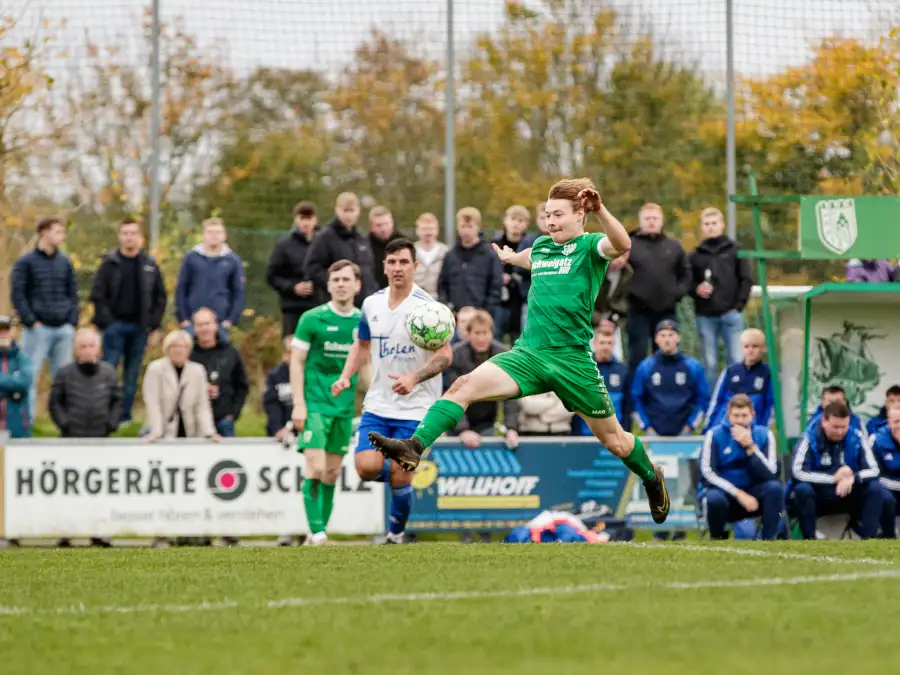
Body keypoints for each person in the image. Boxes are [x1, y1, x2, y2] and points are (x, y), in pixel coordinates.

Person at [370, 179, 671, 524]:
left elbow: (622, 243)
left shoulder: (590, 247)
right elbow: (532, 259)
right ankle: (414, 446)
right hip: (528, 355)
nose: (550, 220)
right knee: (462, 385)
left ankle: (651, 476)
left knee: (616, 442)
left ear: (580, 215)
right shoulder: (542, 247)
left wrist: (600, 208)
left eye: (558, 214)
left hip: (572, 361)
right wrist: (512, 257)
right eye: (547, 215)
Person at [333, 239, 453, 543]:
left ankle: (396, 533)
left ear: (416, 266)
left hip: (417, 406)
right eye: (392, 262)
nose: (397, 268)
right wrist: (346, 376)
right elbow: (361, 346)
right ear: (383, 266)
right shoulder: (371, 304)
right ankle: (404, 476)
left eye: (403, 262)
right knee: (366, 468)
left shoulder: (430, 308)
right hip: (378, 404)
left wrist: (415, 376)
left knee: (400, 475)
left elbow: (445, 356)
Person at [288, 260, 363, 545]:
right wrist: (299, 403)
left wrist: (370, 400)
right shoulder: (311, 319)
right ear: (328, 285)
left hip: (344, 408)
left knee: (332, 472)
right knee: (316, 468)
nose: (341, 284)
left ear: (357, 285)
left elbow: (365, 365)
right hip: (316, 403)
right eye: (335, 280)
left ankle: (316, 533)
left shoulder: (363, 321)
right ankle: (317, 532)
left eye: (346, 279)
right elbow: (296, 362)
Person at [90, 218, 167, 425]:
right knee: (108, 373)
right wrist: (107, 324)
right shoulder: (108, 264)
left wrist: (153, 326)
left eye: (133, 233)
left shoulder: (149, 265)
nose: (129, 237)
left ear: (140, 237)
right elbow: (97, 295)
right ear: (119, 236)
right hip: (114, 328)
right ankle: (104, 415)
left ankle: (125, 417)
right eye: (125, 233)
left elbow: (160, 297)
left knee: (132, 376)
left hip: (139, 329)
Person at [10, 217, 78, 421]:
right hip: (37, 330)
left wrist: (71, 321)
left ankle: (65, 423)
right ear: (44, 233)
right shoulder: (25, 263)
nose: (61, 236)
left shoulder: (65, 262)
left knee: (64, 379)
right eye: (57, 231)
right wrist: (31, 321)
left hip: (63, 329)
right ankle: (26, 422)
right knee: (29, 377)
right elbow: (18, 295)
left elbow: (73, 293)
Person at [790, 400, 882, 539]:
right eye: (835, 427)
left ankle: (870, 540)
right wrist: (833, 478)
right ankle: (810, 540)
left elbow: (874, 470)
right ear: (824, 421)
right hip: (820, 494)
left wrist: (853, 478)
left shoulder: (857, 436)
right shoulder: (808, 438)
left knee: (874, 488)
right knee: (802, 489)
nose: (840, 431)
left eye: (844, 427)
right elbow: (798, 472)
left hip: (849, 492)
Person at [700, 394, 784, 540]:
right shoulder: (714, 434)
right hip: (726, 493)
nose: (739, 420)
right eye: (736, 416)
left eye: (744, 416)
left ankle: (770, 540)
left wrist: (751, 447)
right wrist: (738, 494)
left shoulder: (764, 434)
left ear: (752, 415)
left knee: (775, 488)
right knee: (713, 498)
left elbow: (771, 473)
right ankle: (716, 539)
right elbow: (708, 473)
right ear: (728, 415)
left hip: (754, 492)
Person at [689, 207, 753, 388]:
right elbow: (687, 281)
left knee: (737, 360)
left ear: (722, 225)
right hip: (705, 316)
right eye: (707, 224)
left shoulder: (735, 250)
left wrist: (738, 306)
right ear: (702, 227)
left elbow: (746, 279)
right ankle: (712, 407)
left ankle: (738, 401)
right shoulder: (695, 255)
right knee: (709, 363)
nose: (711, 227)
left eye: (714, 223)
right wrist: (696, 289)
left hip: (731, 313)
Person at [624, 203, 691, 375]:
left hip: (665, 312)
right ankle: (634, 401)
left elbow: (686, 274)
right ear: (640, 221)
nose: (651, 222)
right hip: (638, 311)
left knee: (665, 357)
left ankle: (663, 398)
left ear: (661, 221)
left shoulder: (674, 246)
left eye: (655, 218)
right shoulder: (629, 245)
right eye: (647, 218)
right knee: (636, 358)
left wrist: (676, 293)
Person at [445, 310, 519, 449]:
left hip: (486, 420)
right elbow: (452, 394)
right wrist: (463, 430)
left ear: (492, 333)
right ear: (468, 334)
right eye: (477, 333)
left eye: (485, 333)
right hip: (457, 420)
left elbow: (512, 395)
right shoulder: (456, 355)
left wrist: (511, 428)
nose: (481, 338)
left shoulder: (503, 355)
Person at [631, 320, 709, 437]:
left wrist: (690, 426)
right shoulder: (645, 367)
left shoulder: (693, 366)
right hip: (653, 434)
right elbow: (636, 399)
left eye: (671, 335)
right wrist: (647, 428)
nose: (667, 340)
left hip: (685, 433)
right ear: (656, 339)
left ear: (678, 338)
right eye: (662, 335)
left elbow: (703, 399)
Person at [142, 330, 218, 442]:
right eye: (174, 346)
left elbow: (202, 405)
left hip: (189, 431)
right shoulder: (155, 369)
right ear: (167, 349)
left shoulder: (197, 371)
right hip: (164, 431)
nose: (178, 350)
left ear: (188, 350)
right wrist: (156, 432)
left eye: (182, 346)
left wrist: (209, 432)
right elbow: (153, 403)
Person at [304, 192, 378, 306]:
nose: (349, 215)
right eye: (345, 210)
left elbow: (369, 270)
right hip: (336, 305)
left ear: (358, 211)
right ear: (337, 210)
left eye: (352, 210)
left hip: (364, 305)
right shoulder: (324, 238)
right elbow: (312, 268)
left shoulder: (361, 239)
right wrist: (339, 282)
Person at [175, 217, 245, 338]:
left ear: (224, 235)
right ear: (203, 235)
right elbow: (181, 289)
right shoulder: (191, 258)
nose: (214, 236)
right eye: (210, 232)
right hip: (192, 323)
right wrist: (183, 319)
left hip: (220, 324)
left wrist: (229, 321)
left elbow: (238, 292)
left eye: (218, 232)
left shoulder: (232, 260)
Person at [49, 328, 122, 438]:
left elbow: (118, 401)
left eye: (91, 346)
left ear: (98, 349)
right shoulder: (64, 373)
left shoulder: (109, 373)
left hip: (102, 436)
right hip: (71, 436)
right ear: (76, 350)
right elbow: (55, 402)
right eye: (83, 346)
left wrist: (112, 424)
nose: (88, 350)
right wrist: (64, 424)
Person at [189, 308, 249, 438]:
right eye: (199, 325)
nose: (204, 328)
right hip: (193, 421)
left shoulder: (230, 352)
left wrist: (233, 413)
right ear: (194, 327)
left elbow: (242, 385)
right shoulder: (187, 353)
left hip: (224, 420)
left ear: (216, 325)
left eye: (207, 324)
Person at [266, 201, 319, 337]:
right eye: (303, 218)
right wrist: (293, 287)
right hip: (293, 309)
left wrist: (318, 284)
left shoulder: (325, 242)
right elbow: (272, 276)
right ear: (296, 219)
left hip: (319, 306)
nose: (306, 223)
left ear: (315, 219)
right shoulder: (284, 245)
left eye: (309, 218)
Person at [437, 206, 503, 315]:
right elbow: (442, 285)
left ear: (478, 227)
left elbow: (496, 287)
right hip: (454, 316)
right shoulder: (450, 255)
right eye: (463, 226)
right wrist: (448, 308)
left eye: (470, 226)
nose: (466, 230)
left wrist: (484, 311)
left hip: (481, 317)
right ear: (457, 227)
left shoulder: (489, 255)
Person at [705, 328, 774, 431]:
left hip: (750, 431)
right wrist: (708, 429)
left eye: (755, 346)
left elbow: (770, 407)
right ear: (742, 348)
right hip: (724, 429)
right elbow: (716, 402)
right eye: (746, 346)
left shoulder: (768, 373)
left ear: (763, 348)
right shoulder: (730, 371)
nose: (750, 350)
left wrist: (761, 432)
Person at [572, 328, 629, 435]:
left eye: (609, 343)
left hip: (614, 436)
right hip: (586, 435)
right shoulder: (582, 368)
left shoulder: (623, 370)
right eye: (602, 342)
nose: (605, 347)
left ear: (613, 345)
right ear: (594, 343)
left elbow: (627, 406)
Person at [493, 205, 531, 341]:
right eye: (513, 219)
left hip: (521, 300)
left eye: (520, 221)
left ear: (526, 224)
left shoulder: (530, 245)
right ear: (505, 221)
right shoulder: (495, 245)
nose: (516, 224)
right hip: (499, 300)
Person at [593, 251, 631, 361]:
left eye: (623, 255)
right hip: (587, 321)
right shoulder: (594, 269)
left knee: (617, 356)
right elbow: (581, 301)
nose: (619, 260)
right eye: (616, 255)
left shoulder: (628, 272)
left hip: (611, 321)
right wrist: (598, 320)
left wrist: (614, 321)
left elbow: (623, 302)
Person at [0, 315, 31, 439]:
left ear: (12, 332)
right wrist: (11, 385)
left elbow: (24, 382)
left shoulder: (23, 358)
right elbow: (17, 383)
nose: (2, 334)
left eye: (6, 330)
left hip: (18, 428)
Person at [872, 405, 900, 538]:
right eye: (897, 422)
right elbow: (874, 475)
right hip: (887, 490)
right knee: (884, 497)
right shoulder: (876, 440)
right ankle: (889, 536)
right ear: (888, 422)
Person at [263, 337, 294, 442]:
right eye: (290, 352)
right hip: (278, 433)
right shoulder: (274, 376)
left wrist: (290, 427)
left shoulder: (311, 375)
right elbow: (271, 404)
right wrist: (278, 429)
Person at [368, 205, 406, 289]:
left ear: (392, 223)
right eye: (379, 225)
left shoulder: (404, 243)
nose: (384, 228)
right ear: (371, 227)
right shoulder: (364, 245)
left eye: (386, 224)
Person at [413, 212, 447, 297]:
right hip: (415, 298)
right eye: (424, 229)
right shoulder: (410, 252)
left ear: (437, 230)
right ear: (417, 230)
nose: (428, 233)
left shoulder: (446, 252)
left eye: (431, 229)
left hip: (438, 299)